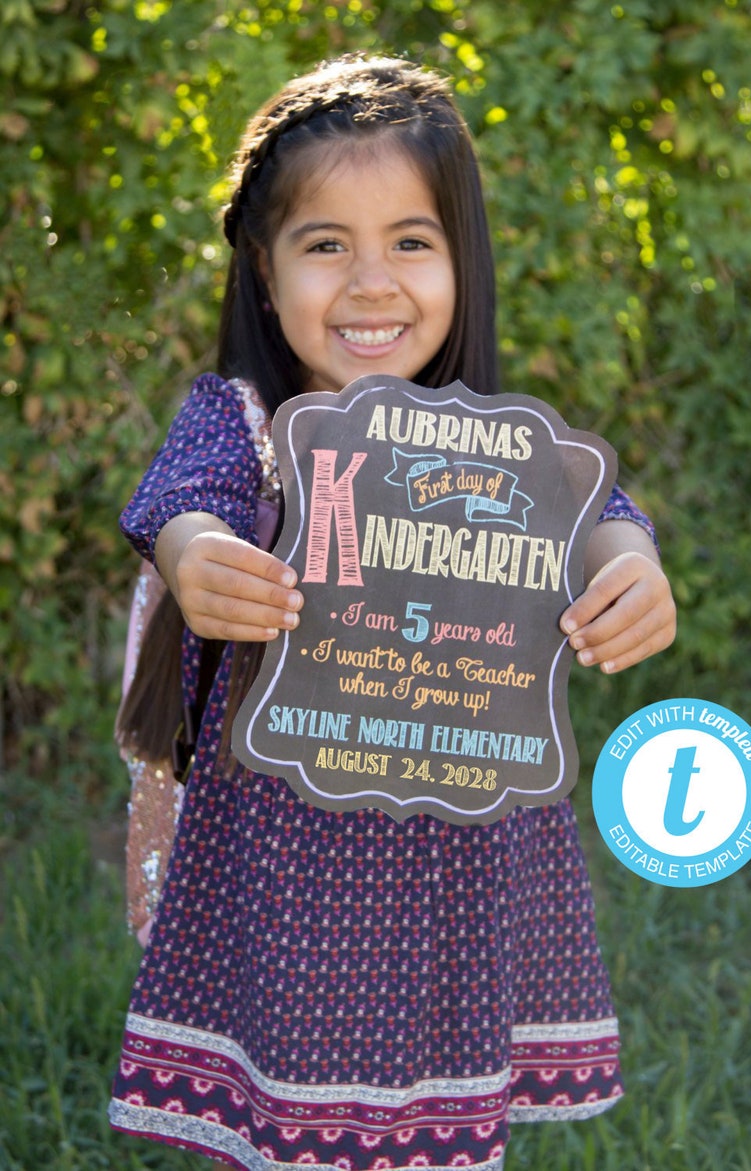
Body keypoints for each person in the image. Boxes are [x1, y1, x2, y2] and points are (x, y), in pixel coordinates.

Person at [109, 54, 676, 1171]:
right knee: (285, 1115)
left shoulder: (499, 442)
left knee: (440, 1129)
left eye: (411, 241)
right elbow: (177, 503)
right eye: (326, 245)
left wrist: (628, 567)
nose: (371, 282)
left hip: (458, 863)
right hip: (284, 862)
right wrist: (199, 557)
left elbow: (600, 510)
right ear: (265, 278)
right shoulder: (244, 420)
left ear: (463, 263)